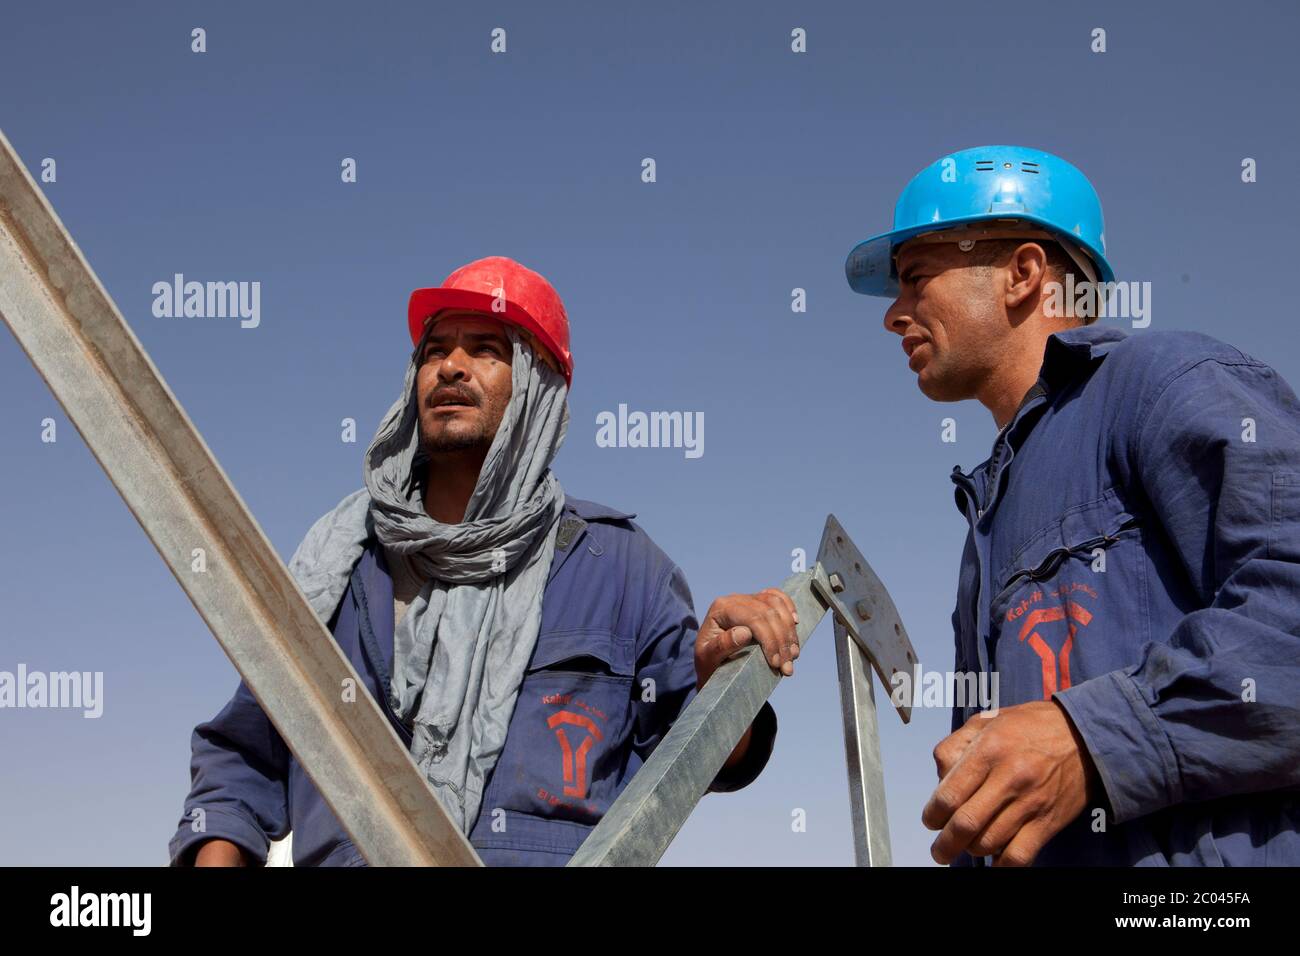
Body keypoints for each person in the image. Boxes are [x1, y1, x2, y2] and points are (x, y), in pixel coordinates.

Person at [169, 256, 798, 866]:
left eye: (486, 349)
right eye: (437, 349)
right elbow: (244, 757)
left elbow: (703, 756)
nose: (452, 367)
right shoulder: (340, 565)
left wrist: (725, 684)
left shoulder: (620, 568)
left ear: (537, 386)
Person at [846, 145, 1300, 866]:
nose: (894, 315)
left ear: (1023, 274)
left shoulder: (1161, 384)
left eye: (915, 279)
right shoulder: (987, 517)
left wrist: (1092, 737)